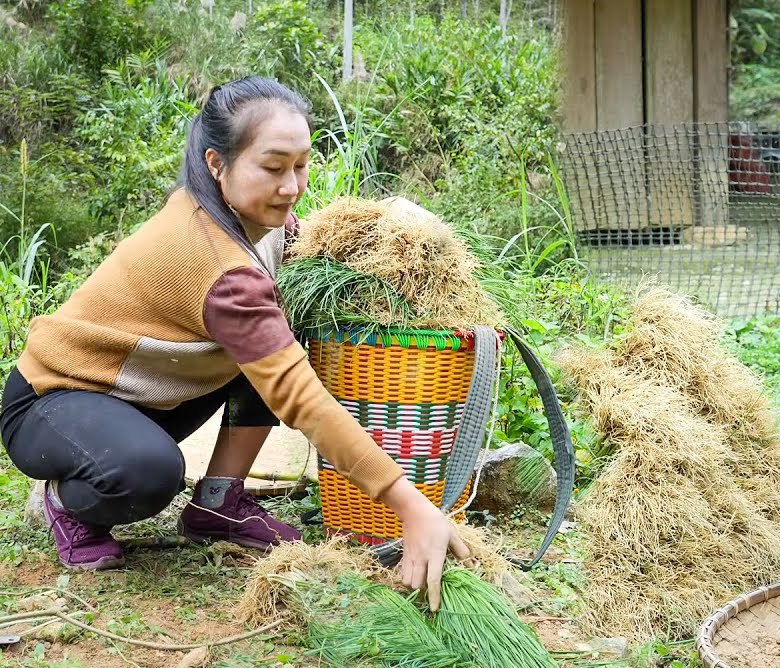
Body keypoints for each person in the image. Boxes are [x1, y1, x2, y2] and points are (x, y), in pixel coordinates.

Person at [0, 76, 470, 610]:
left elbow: (318, 253)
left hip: (152, 392)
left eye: (301, 164)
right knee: (146, 474)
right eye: (272, 167)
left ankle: (218, 503)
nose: (292, 186)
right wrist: (409, 504)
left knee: (274, 339)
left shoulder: (257, 216)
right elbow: (300, 396)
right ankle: (68, 500)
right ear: (217, 163)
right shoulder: (215, 262)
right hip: (56, 399)